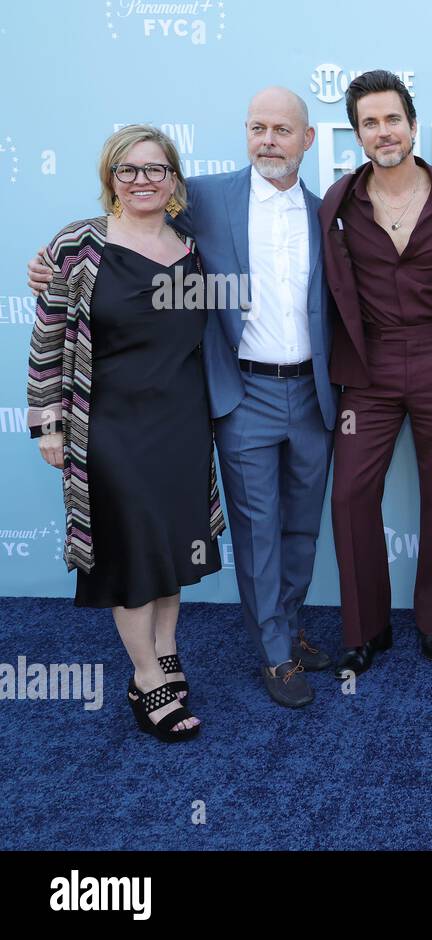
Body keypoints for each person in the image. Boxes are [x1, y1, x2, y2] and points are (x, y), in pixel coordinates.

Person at [29, 88, 337, 709]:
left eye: (282, 129)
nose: (268, 140)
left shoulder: (329, 210)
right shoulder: (207, 198)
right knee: (257, 531)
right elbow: (81, 278)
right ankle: (271, 651)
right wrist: (46, 268)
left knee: (302, 525)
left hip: (310, 392)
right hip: (239, 392)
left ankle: (288, 621)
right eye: (257, 127)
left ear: (308, 140)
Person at [26, 125, 224, 740]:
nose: (142, 180)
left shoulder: (192, 245)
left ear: (174, 180)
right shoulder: (77, 245)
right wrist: (47, 423)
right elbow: (48, 340)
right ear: (110, 177)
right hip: (107, 427)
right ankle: (145, 680)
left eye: (155, 169)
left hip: (182, 424)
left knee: (169, 547)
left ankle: (166, 653)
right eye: (129, 169)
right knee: (133, 550)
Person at [319, 70, 432, 679]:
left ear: (412, 123)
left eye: (392, 119)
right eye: (369, 122)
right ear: (356, 134)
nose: (383, 131)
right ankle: (365, 627)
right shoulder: (337, 202)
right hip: (368, 366)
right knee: (351, 494)